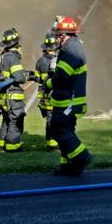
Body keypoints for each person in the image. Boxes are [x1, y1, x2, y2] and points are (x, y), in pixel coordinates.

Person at [47, 15, 91, 176]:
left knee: (58, 129)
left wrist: (48, 84)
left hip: (69, 101)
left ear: (65, 35)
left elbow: (62, 76)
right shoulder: (70, 48)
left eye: (58, 35)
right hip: (65, 100)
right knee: (66, 131)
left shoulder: (72, 50)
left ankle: (82, 157)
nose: (56, 38)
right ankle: (68, 166)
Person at [0, 28, 28, 152]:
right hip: (12, 96)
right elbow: (19, 77)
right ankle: (12, 146)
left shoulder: (4, 56)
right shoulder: (13, 57)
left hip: (4, 96)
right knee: (15, 120)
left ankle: (1, 143)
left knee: (6, 120)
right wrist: (26, 76)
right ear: (16, 45)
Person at [34, 31, 59, 151]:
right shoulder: (57, 60)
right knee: (55, 121)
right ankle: (53, 145)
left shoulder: (40, 61)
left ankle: (51, 144)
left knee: (50, 121)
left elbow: (38, 78)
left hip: (45, 97)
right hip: (55, 95)